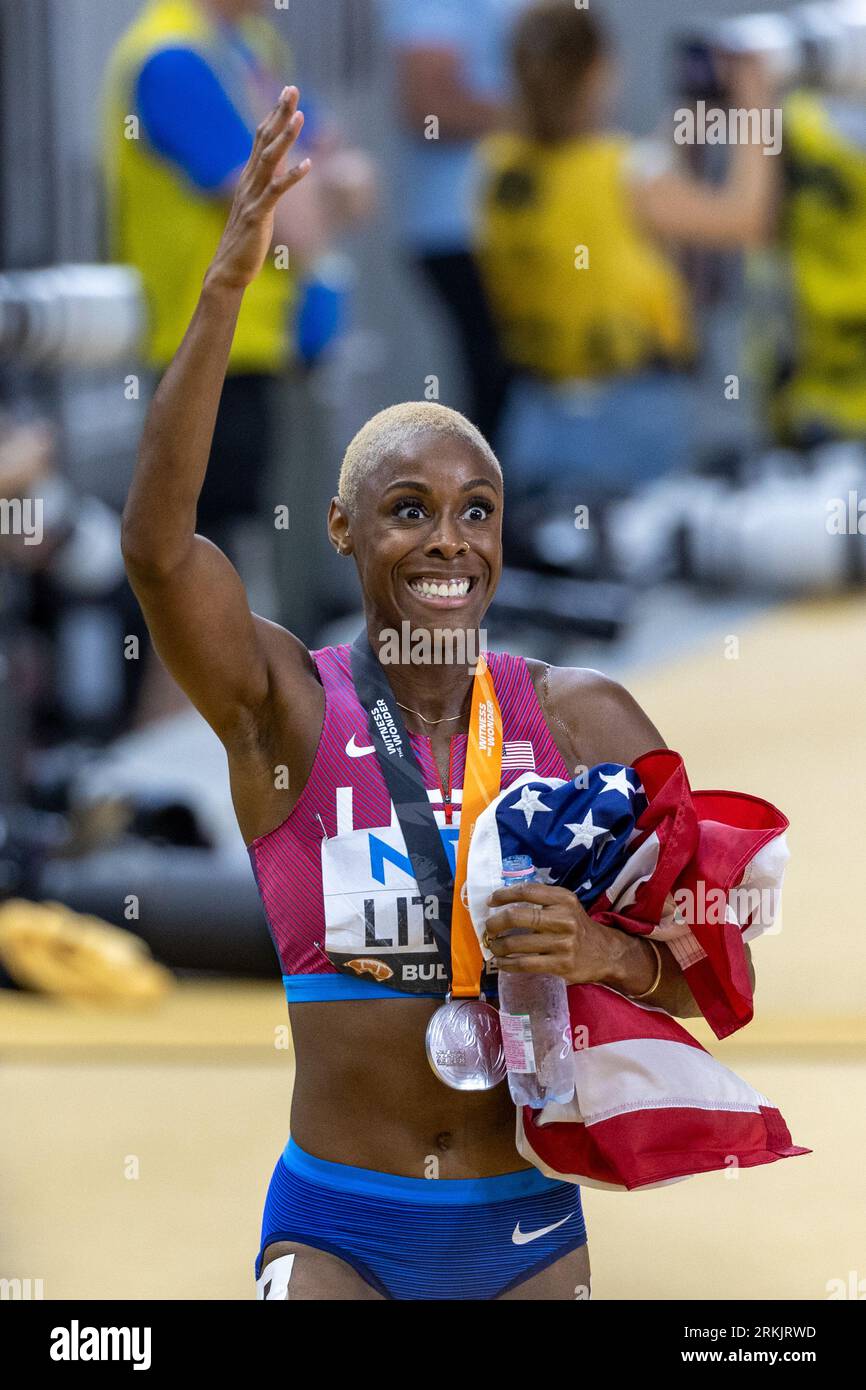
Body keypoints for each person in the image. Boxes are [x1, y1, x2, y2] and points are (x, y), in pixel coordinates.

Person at [121, 87, 756, 1300]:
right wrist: (223, 292)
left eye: (477, 512)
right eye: (409, 512)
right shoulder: (282, 708)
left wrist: (604, 956)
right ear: (343, 530)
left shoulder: (582, 721)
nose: (448, 543)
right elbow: (156, 548)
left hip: (520, 1222)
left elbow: (713, 971)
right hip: (339, 1225)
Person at [473, 0, 778, 495]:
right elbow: (748, 221)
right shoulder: (630, 176)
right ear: (598, 74)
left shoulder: (495, 168)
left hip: (533, 413)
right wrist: (756, 109)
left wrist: (691, 111)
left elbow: (597, 191)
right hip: (635, 417)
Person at [103, 0, 373, 556]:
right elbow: (293, 217)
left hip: (266, 342)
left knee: (259, 557)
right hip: (202, 348)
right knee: (196, 568)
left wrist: (316, 194)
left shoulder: (250, 46)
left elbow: (356, 180)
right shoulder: (173, 59)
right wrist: (320, 195)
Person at [382, 0, 528, 444]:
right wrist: (544, 115)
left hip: (524, 222)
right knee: (501, 385)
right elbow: (427, 105)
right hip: (460, 227)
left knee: (527, 384)